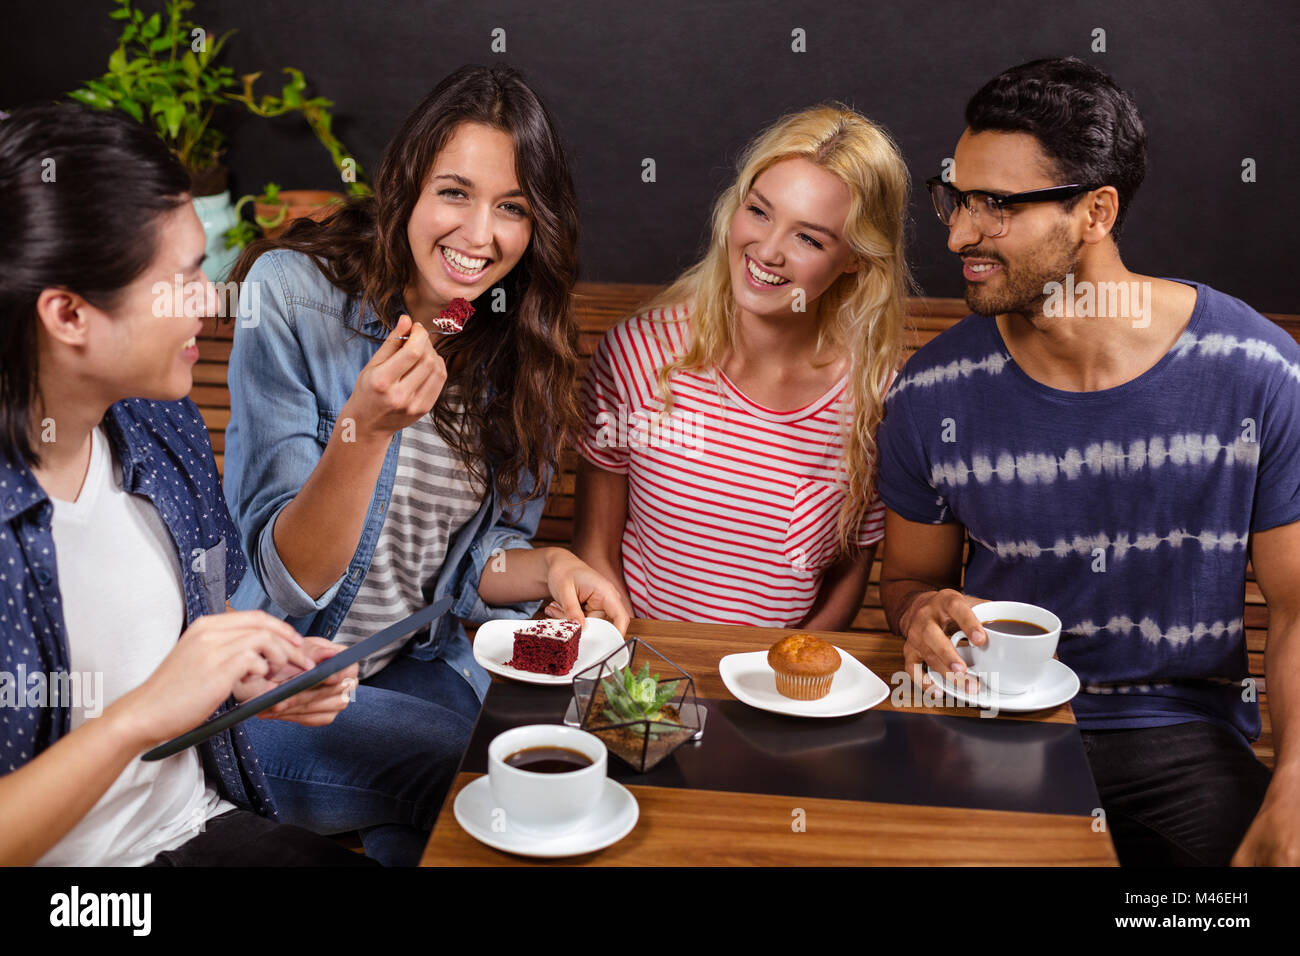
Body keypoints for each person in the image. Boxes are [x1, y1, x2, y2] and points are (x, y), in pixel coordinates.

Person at [877, 57, 1299, 866]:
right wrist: (917, 612)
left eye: (997, 206)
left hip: (1180, 739)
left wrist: (1296, 779)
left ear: (1095, 211)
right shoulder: (931, 392)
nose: (961, 232)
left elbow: (1298, 604)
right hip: (996, 722)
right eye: (956, 197)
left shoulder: (1257, 370)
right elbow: (907, 585)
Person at [222, 65, 630, 866]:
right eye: (455, 193)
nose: (480, 236)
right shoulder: (292, 296)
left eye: (512, 207)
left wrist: (550, 564)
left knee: (524, 752)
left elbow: (475, 565)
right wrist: (364, 431)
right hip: (274, 690)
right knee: (480, 768)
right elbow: (284, 574)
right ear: (406, 185)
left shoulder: (521, 346)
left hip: (417, 667)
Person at [0, 103, 372, 866]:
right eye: (183, 278)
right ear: (69, 313)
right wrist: (141, 716)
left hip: (196, 826)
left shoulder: (156, 427)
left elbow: (202, 631)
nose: (210, 299)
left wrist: (257, 678)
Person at [572, 104, 911, 630]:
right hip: (642, 675)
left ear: (855, 261)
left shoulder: (876, 398)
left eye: (809, 238)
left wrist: (783, 682)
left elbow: (850, 572)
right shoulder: (636, 354)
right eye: (759, 211)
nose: (768, 250)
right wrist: (639, 675)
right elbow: (595, 548)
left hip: (778, 689)